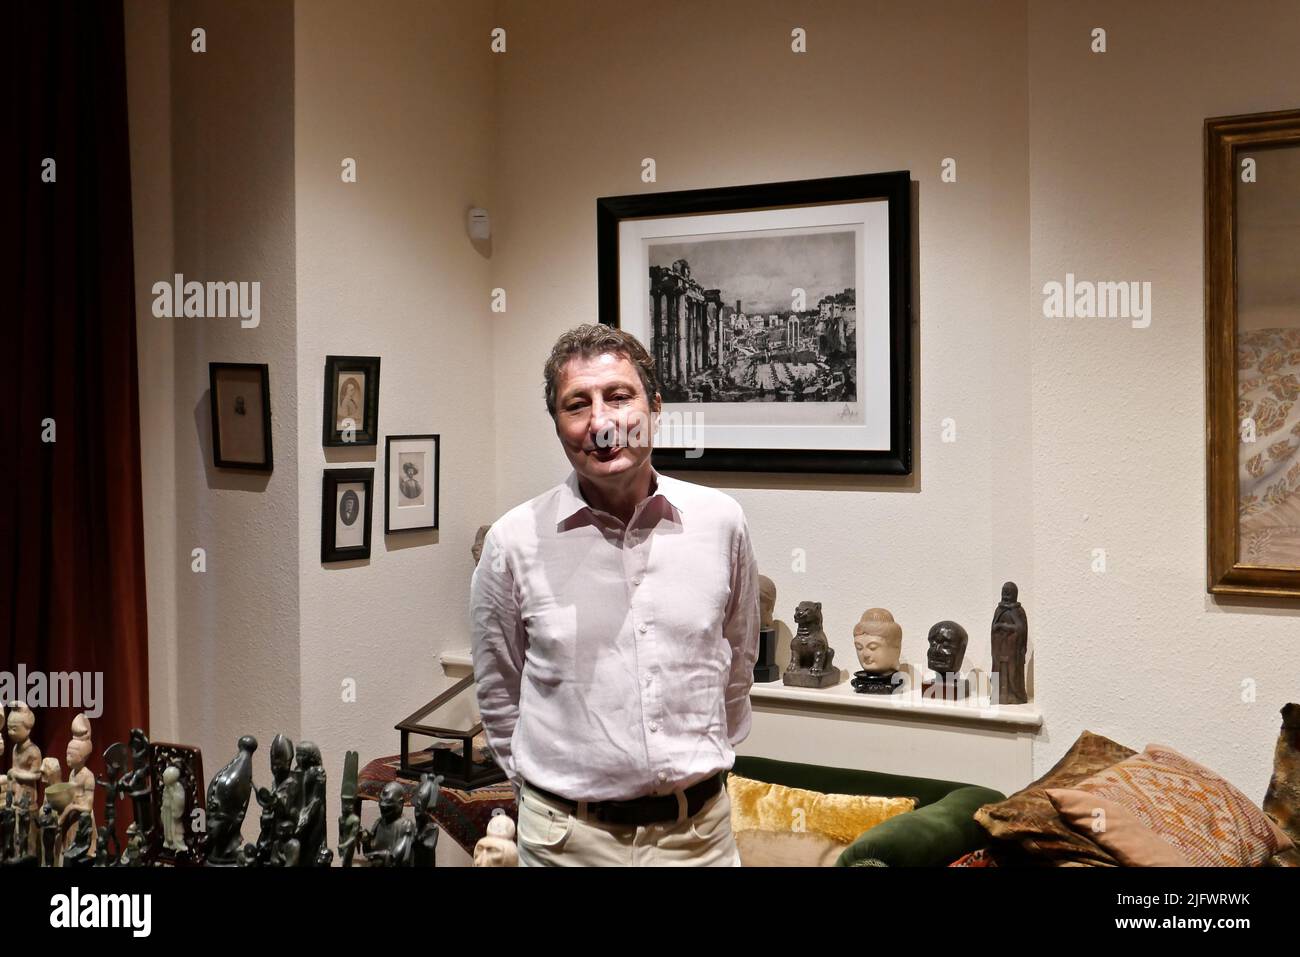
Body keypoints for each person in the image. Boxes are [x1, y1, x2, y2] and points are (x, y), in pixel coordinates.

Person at [470, 324, 759, 866]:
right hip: (565, 846)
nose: (601, 423)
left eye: (619, 397)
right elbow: (499, 691)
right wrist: (550, 801)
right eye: (577, 405)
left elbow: (737, 662)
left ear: (654, 405)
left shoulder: (721, 523)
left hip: (698, 842)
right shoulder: (514, 542)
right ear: (558, 425)